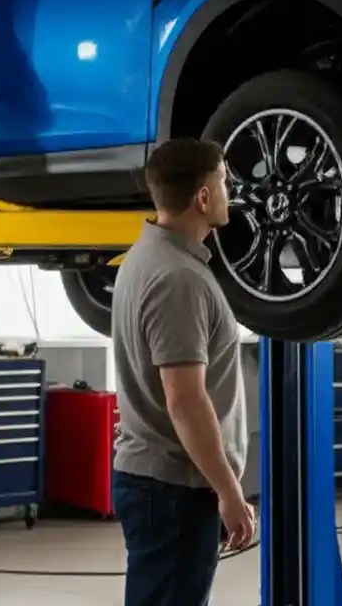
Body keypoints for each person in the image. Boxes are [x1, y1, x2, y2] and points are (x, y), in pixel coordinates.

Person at [109, 137, 255, 606]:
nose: (231, 192)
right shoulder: (179, 279)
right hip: (173, 489)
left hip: (159, 484)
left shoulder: (145, 258)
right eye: (225, 182)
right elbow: (185, 400)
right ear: (204, 197)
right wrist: (229, 494)